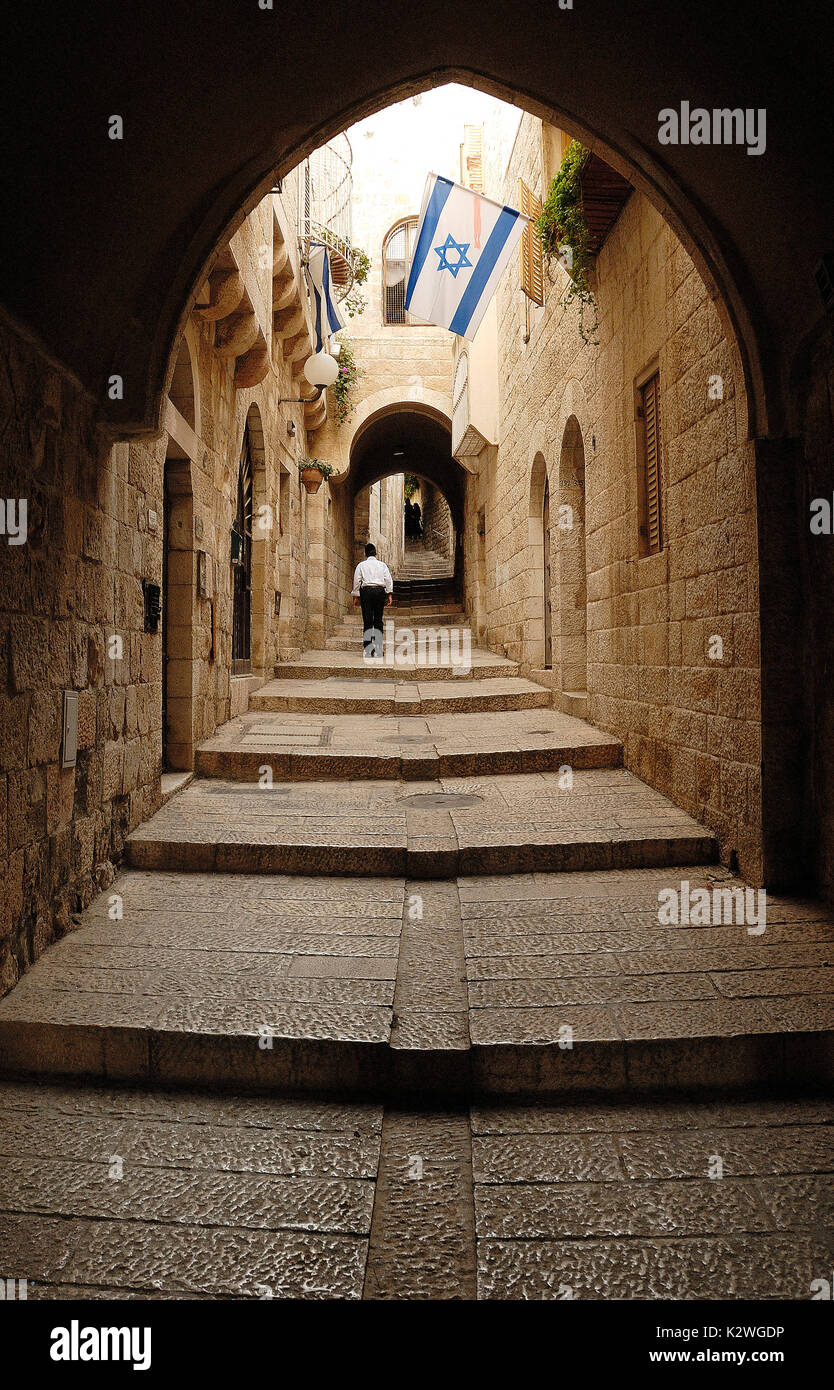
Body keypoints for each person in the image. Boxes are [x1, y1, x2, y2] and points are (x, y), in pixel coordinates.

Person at [352, 542, 393, 657]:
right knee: (378, 620)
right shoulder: (382, 565)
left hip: (366, 592)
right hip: (380, 592)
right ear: (375, 553)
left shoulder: (361, 565)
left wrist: (356, 596)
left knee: (368, 620)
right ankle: (379, 648)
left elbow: (357, 581)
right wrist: (389, 593)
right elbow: (388, 580)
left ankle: (369, 649)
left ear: (365, 554)